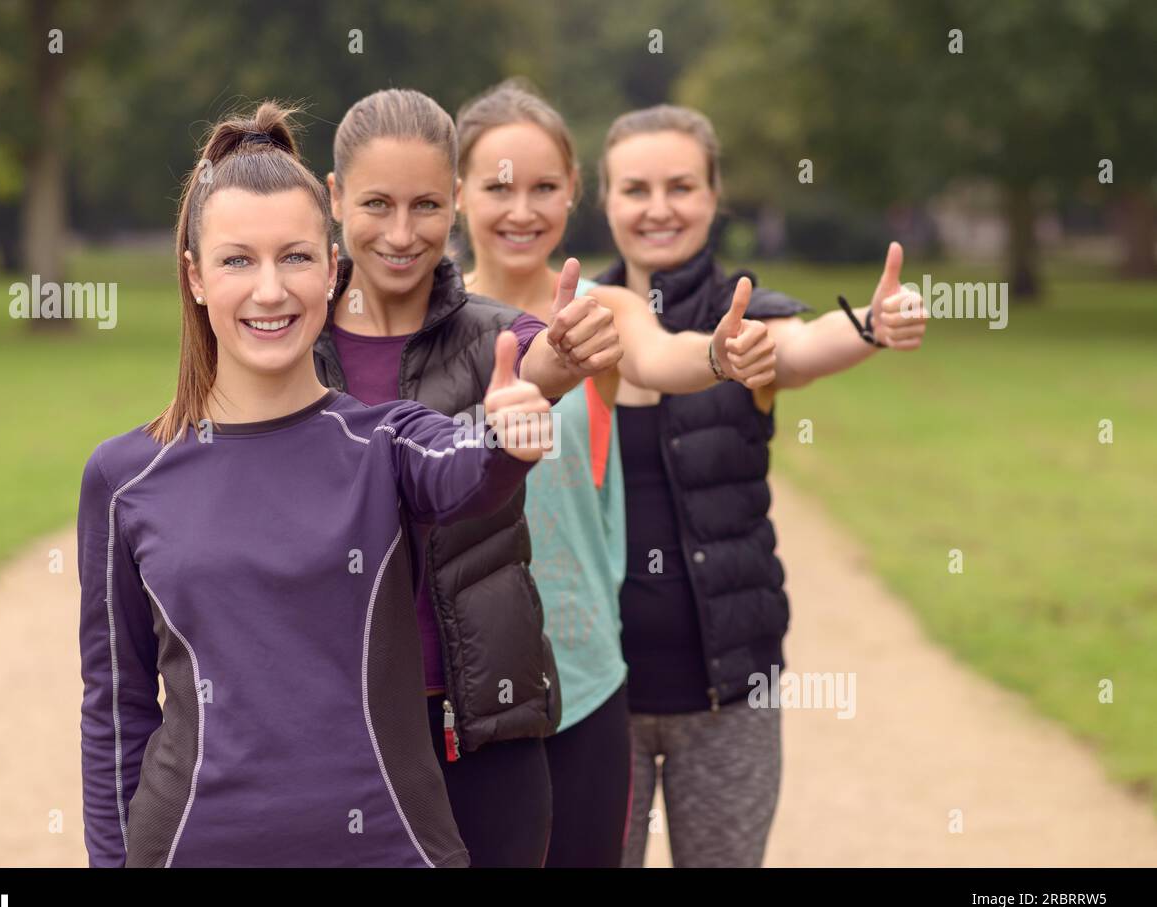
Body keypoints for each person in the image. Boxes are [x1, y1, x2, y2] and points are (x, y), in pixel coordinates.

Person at [76, 101, 552, 867]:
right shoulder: (125, 477)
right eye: (238, 260)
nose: (271, 290)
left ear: (331, 271)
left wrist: (509, 433)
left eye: (295, 257)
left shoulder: (386, 441)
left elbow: (472, 469)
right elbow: (116, 712)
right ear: (195, 277)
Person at [453, 78, 777, 866]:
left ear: (573, 196)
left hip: (588, 675)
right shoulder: (430, 323)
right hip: (462, 681)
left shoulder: (606, 311)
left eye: (544, 188)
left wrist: (715, 355)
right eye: (497, 187)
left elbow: (665, 357)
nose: (521, 209)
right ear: (457, 194)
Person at [596, 104, 929, 868]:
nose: (658, 208)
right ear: (606, 200)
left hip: (729, 689)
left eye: (681, 186)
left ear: (715, 196)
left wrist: (873, 325)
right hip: (595, 698)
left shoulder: (744, 316)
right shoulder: (577, 319)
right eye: (635, 189)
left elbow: (805, 345)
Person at [314, 88, 623, 866]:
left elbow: (539, 361)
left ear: (453, 200)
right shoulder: (292, 338)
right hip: (331, 724)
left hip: (481, 725)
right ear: (333, 195)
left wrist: (552, 368)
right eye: (375, 203)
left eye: (425, 205)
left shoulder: (495, 334)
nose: (400, 232)